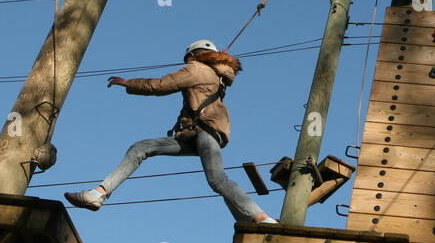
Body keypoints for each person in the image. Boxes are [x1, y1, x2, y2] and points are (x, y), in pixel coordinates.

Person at [65, 39, 277, 224]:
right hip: (197, 134)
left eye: (187, 59)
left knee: (218, 179)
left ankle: (262, 219)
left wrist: (129, 83)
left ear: (193, 56)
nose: (184, 64)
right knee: (142, 147)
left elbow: (160, 85)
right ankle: (98, 193)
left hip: (204, 133)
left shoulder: (196, 69)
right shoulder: (216, 75)